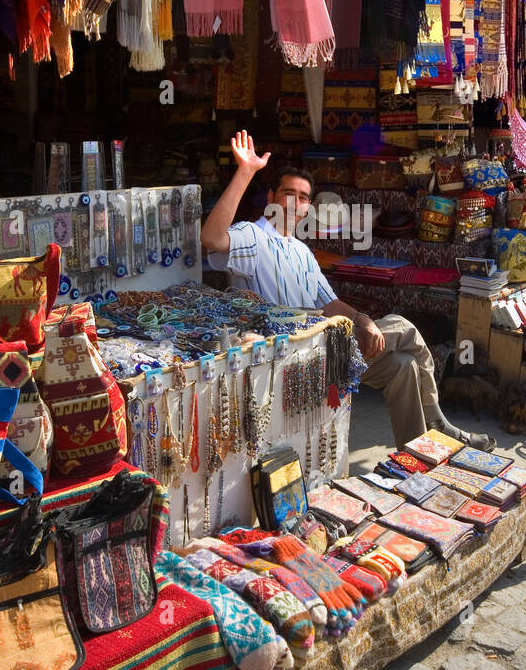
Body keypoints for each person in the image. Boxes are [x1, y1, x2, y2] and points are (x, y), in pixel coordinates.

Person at [202, 130, 496, 452]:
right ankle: (441, 423)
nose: (296, 202)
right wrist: (245, 173)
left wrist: (360, 318)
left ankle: (417, 454)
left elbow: (330, 303)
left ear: (307, 208)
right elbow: (213, 239)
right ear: (271, 198)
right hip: (284, 352)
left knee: (403, 367)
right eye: (288, 193)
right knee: (403, 326)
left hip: (321, 349)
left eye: (303, 197)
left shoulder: (301, 252)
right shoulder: (254, 237)